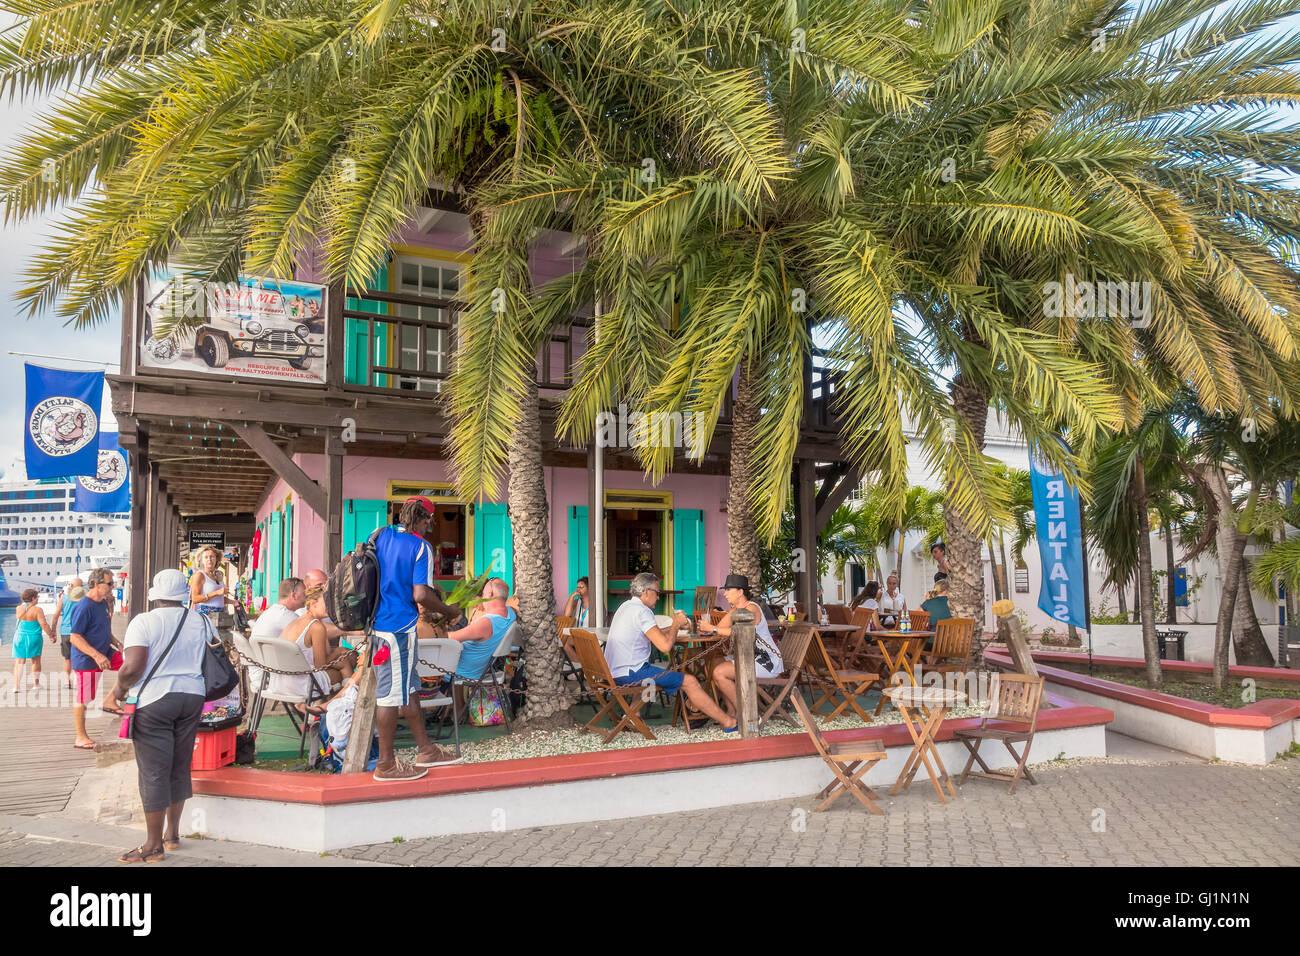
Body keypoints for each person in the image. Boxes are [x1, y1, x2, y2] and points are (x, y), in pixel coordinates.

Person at [101, 569, 211, 863]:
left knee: (153, 772)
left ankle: (152, 846)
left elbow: (133, 667)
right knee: (179, 765)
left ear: (156, 594)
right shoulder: (200, 620)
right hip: (192, 697)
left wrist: (120, 691)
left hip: (155, 701)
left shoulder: (144, 621)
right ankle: (172, 835)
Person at [370, 497, 465, 779]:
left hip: (380, 624)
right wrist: (449, 611)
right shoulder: (420, 546)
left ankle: (426, 749)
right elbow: (420, 594)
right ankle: (385, 764)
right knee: (388, 696)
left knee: (408, 687)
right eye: (428, 523)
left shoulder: (379, 534)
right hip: (397, 627)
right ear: (425, 520)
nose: (428, 528)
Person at [603, 572, 736, 732]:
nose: (658, 597)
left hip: (613, 672)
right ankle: (729, 722)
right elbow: (665, 647)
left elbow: (652, 632)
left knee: (652, 674)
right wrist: (675, 624)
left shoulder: (626, 607)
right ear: (646, 592)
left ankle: (633, 714)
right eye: (657, 593)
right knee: (690, 681)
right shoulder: (642, 612)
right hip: (630, 674)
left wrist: (676, 626)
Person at [701, 574, 783, 723]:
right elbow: (720, 628)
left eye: (728, 590)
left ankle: (749, 714)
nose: (724, 593)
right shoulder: (735, 610)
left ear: (740, 592)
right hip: (748, 657)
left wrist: (711, 628)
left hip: (765, 661)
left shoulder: (752, 609)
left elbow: (741, 632)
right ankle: (733, 710)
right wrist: (710, 627)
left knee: (719, 673)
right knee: (715, 662)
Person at [273, 585, 355, 707]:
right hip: (301, 684)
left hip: (281, 682)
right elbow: (320, 666)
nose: (331, 606)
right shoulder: (316, 626)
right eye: (327, 602)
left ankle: (325, 711)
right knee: (343, 661)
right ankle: (344, 708)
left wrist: (339, 652)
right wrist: (338, 652)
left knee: (342, 657)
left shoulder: (296, 621)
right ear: (313, 603)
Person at [68, 568, 119, 749]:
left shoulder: (103, 602)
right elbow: (74, 637)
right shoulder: (84, 606)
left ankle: (110, 700)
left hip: (106, 651)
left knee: (131, 664)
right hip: (87, 658)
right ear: (96, 584)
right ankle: (80, 737)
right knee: (84, 698)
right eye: (109, 583)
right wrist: (96, 655)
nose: (113, 586)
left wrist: (116, 642)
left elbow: (102, 627)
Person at [10, 588, 55, 694]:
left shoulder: (18, 608)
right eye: (37, 597)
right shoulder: (37, 610)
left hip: (19, 637)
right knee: (35, 661)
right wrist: (51, 635)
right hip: (33, 638)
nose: (38, 598)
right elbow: (43, 624)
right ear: (33, 598)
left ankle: (16, 686)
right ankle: (36, 684)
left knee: (19, 662)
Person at [53, 577, 84, 689]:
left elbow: (56, 616)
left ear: (71, 586)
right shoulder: (84, 599)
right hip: (80, 632)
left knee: (67, 658)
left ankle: (67, 682)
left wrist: (53, 632)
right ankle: (77, 681)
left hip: (66, 631)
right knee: (79, 656)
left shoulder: (64, 598)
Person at [189, 546, 229, 616]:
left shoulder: (219, 574)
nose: (209, 559)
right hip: (206, 615)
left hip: (221, 614)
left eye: (212, 556)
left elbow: (218, 598)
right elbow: (194, 599)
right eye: (206, 557)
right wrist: (217, 592)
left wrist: (233, 602)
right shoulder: (200, 575)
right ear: (201, 560)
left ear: (216, 558)